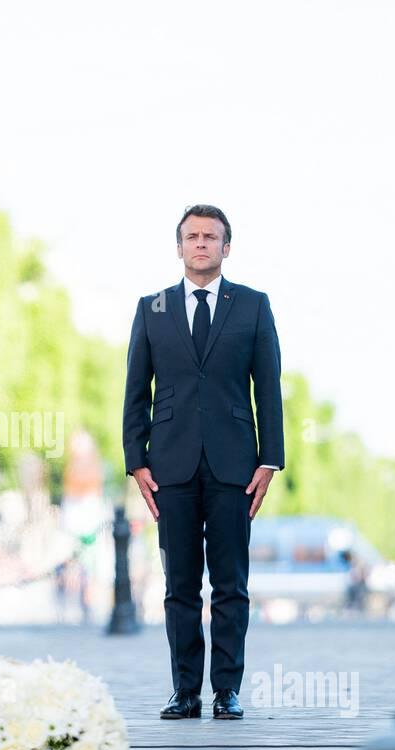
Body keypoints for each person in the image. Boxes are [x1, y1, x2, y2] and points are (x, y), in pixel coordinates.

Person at [122, 205, 285, 720]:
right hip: (170, 465)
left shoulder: (253, 306)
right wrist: (135, 459)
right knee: (179, 586)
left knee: (231, 585)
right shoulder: (153, 308)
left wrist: (271, 459)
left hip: (235, 465)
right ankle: (185, 690)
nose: (200, 244)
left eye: (210, 237)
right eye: (191, 237)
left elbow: (269, 389)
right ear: (178, 247)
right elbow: (135, 390)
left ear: (226, 247)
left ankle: (227, 690)